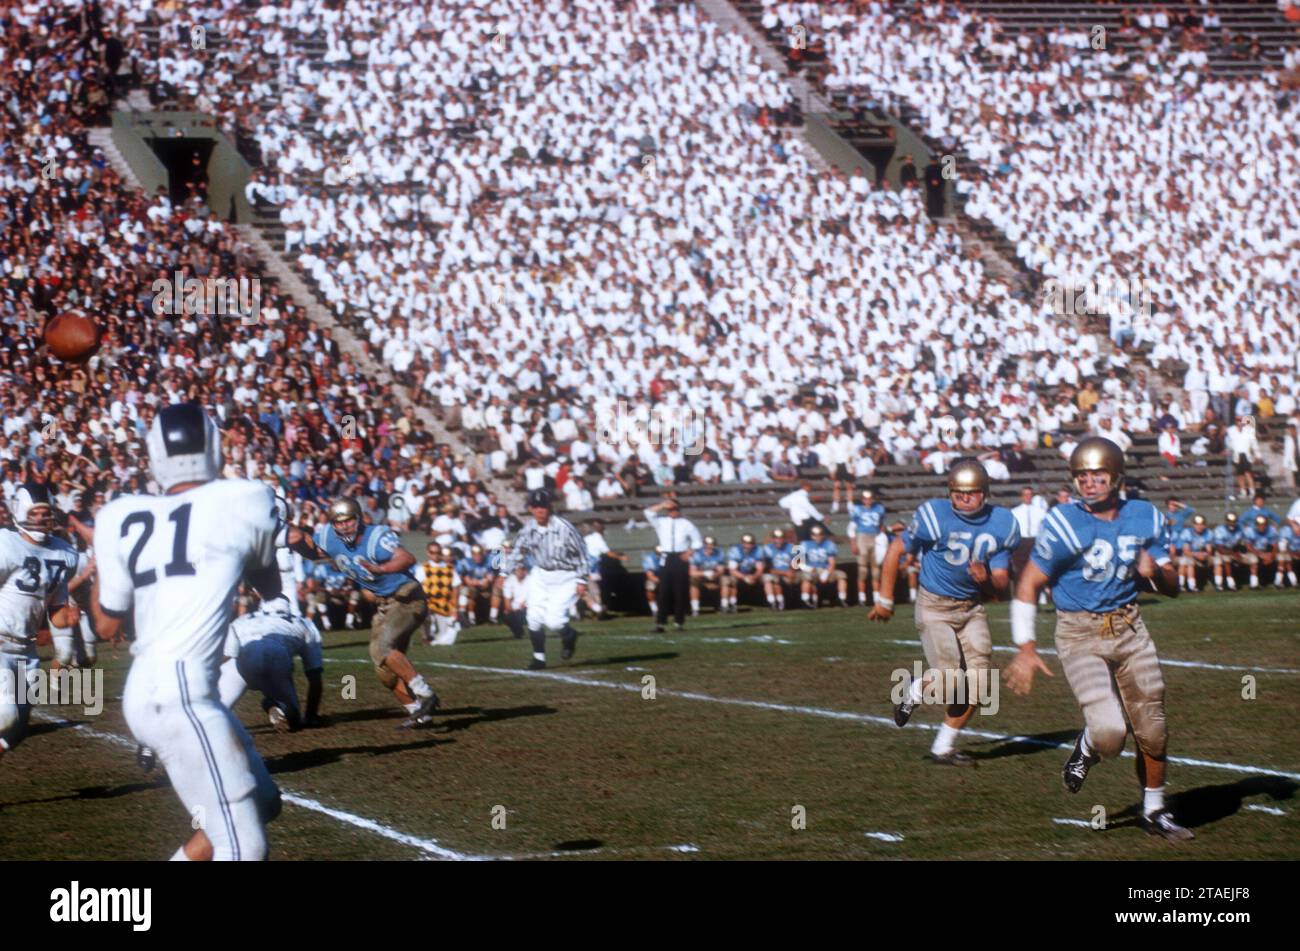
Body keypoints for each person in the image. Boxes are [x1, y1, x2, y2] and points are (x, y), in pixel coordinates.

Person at [89, 404, 283, 861]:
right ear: (213, 448)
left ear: (154, 454)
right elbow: (269, 585)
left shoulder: (120, 515)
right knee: (245, 847)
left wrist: (101, 556)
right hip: (181, 694)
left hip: (156, 690)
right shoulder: (247, 497)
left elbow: (105, 624)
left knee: (261, 803)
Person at [1004, 437, 1192, 840]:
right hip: (1079, 632)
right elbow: (1030, 582)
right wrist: (1026, 646)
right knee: (1110, 733)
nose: (1089, 483)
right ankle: (1087, 747)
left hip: (1129, 627)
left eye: (1098, 475)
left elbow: (1173, 586)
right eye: (1082, 476)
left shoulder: (1143, 515)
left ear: (1117, 478)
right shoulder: (1063, 520)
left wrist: (1155, 573)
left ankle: (1154, 810)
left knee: (1153, 729)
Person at [869, 459, 1020, 766]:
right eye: (958, 492)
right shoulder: (934, 515)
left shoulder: (1003, 522)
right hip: (935, 605)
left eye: (972, 492)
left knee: (979, 685)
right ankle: (913, 689)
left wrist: (987, 576)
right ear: (949, 491)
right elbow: (897, 550)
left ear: (985, 492)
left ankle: (942, 747)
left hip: (971, 609)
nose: (964, 498)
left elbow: (1003, 579)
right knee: (950, 677)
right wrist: (885, 599)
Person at [289, 496, 440, 727]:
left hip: (407, 598)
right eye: (338, 522)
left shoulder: (376, 536)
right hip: (384, 605)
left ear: (358, 519)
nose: (343, 526)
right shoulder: (329, 535)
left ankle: (426, 693)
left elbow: (406, 558)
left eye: (348, 521)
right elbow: (313, 551)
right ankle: (418, 712)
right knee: (384, 672)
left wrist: (381, 568)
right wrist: (294, 539)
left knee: (382, 648)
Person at [0, 485, 81, 763]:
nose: (45, 519)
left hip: (27, 651)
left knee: (16, 729)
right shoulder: (7, 545)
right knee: (5, 716)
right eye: (37, 513)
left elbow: (56, 610)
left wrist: (67, 618)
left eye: (47, 513)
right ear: (21, 513)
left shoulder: (63, 553)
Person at [217, 594, 324, 732]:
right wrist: (311, 715)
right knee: (293, 721)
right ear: (287, 607)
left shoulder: (243, 619)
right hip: (276, 659)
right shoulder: (305, 624)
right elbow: (314, 676)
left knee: (216, 708)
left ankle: (197, 723)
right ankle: (275, 705)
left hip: (241, 660)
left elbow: (228, 654)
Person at [508, 488, 588, 668]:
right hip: (541, 575)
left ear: (549, 507)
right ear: (530, 509)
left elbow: (582, 553)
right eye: (536, 507)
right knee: (533, 618)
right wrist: (502, 573)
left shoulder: (564, 527)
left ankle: (569, 635)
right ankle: (539, 658)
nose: (539, 510)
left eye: (543, 506)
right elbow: (517, 551)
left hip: (565, 576)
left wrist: (582, 580)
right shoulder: (528, 529)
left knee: (554, 621)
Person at [644, 495, 702, 632]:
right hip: (666, 557)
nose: (672, 512)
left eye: (675, 509)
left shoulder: (686, 523)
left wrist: (690, 552)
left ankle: (679, 622)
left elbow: (697, 540)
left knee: (680, 590)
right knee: (664, 591)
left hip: (680, 557)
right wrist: (663, 505)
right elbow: (648, 513)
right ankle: (660, 623)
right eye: (670, 509)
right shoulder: (661, 522)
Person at [846, 488, 885, 608]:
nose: (868, 501)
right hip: (862, 537)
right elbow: (851, 527)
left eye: (869, 498)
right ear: (862, 500)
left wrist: (882, 539)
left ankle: (877, 598)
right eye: (865, 499)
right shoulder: (857, 509)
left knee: (876, 569)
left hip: (875, 537)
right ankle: (862, 598)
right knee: (862, 570)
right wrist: (853, 543)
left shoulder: (879, 508)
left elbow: (881, 525)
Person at [797, 524, 848, 608]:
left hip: (825, 569)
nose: (817, 537)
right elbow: (797, 561)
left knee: (842, 575)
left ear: (823, 535)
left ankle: (842, 599)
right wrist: (806, 568)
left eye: (819, 535)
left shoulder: (829, 544)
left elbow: (832, 563)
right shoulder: (804, 544)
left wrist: (826, 573)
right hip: (811, 569)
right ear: (811, 535)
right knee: (806, 577)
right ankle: (805, 600)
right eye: (815, 535)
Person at [421, 544, 462, 646]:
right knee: (424, 616)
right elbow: (417, 587)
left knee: (444, 639)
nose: (435, 555)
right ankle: (426, 636)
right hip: (428, 605)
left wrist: (455, 608)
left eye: (438, 552)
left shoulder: (450, 569)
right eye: (432, 552)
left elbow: (456, 588)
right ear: (428, 553)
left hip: (445, 606)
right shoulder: (423, 568)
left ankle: (433, 636)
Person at [723, 533, 764, 613]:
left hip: (751, 574)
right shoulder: (735, 551)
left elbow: (760, 569)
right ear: (742, 543)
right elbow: (732, 570)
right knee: (732, 580)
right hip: (738, 574)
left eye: (750, 543)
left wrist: (754, 576)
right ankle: (730, 604)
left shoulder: (758, 550)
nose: (748, 546)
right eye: (746, 543)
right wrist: (744, 577)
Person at [689, 535, 726, 616]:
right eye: (707, 544)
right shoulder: (697, 554)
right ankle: (695, 609)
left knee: (725, 580)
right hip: (701, 578)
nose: (710, 546)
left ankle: (724, 606)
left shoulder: (719, 553)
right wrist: (705, 574)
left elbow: (721, 570)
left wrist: (715, 575)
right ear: (704, 545)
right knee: (693, 581)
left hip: (714, 577)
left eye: (712, 544)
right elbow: (691, 572)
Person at [762, 528, 798, 611]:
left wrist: (791, 570)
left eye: (780, 538)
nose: (778, 541)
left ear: (784, 539)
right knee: (770, 579)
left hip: (789, 572)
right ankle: (773, 602)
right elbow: (767, 568)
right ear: (772, 539)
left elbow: (797, 564)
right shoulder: (767, 549)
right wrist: (784, 572)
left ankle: (779, 602)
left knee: (776, 580)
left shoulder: (792, 547)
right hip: (774, 572)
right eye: (776, 538)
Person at [1241, 515, 1280, 589]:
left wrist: (1271, 556)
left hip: (1267, 551)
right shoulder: (1250, 531)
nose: (1261, 526)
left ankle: (1278, 582)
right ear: (1256, 525)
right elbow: (1248, 546)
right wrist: (1260, 554)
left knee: (1280, 559)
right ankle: (1254, 584)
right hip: (1253, 551)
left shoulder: (1272, 530)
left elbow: (1275, 545)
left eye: (1263, 525)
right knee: (1254, 561)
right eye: (1259, 525)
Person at [1179, 515, 1214, 592]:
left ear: (1205, 525)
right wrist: (1196, 555)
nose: (1199, 526)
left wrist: (1204, 555)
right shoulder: (1187, 532)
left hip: (1202, 556)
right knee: (1187, 562)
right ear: (1193, 525)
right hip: (1190, 555)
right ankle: (1187, 585)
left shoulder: (1208, 533)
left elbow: (1209, 550)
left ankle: (1217, 584)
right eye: (1197, 524)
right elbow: (1186, 551)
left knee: (1217, 560)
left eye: (1201, 524)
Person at [1212, 512, 1244, 591]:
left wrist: (1238, 552)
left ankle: (1253, 583)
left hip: (1233, 551)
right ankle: (1223, 584)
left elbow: (1243, 543)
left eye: (1233, 521)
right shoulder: (1220, 529)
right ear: (1226, 521)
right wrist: (1233, 554)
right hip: (1220, 551)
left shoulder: (1240, 529)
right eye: (1229, 521)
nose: (1231, 523)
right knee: (1221, 561)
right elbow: (1219, 548)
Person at [641, 547, 663, 618]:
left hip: (668, 576)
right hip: (657, 576)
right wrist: (661, 581)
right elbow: (650, 575)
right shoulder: (649, 558)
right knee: (650, 586)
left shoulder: (669, 557)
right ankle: (654, 609)